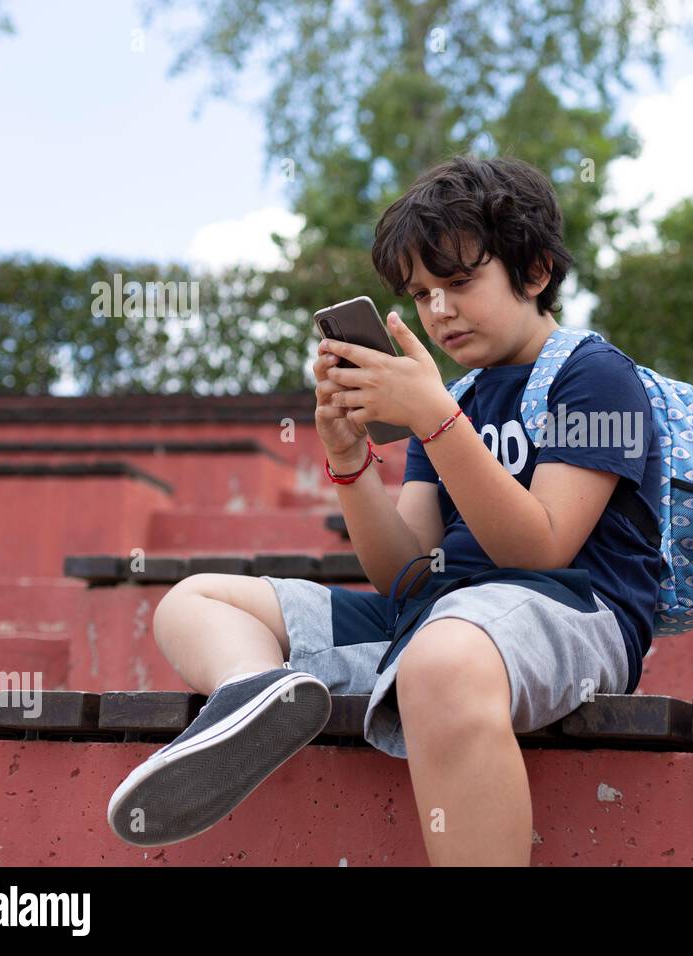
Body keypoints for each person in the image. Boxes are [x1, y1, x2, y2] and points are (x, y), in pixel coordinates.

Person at [107, 155, 662, 865]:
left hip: (572, 611)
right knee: (194, 602)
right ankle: (255, 696)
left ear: (536, 272)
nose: (439, 312)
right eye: (421, 294)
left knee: (442, 659)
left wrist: (434, 419)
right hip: (435, 621)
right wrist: (349, 460)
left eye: (459, 283)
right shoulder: (455, 400)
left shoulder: (594, 376)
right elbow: (404, 572)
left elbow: (544, 546)